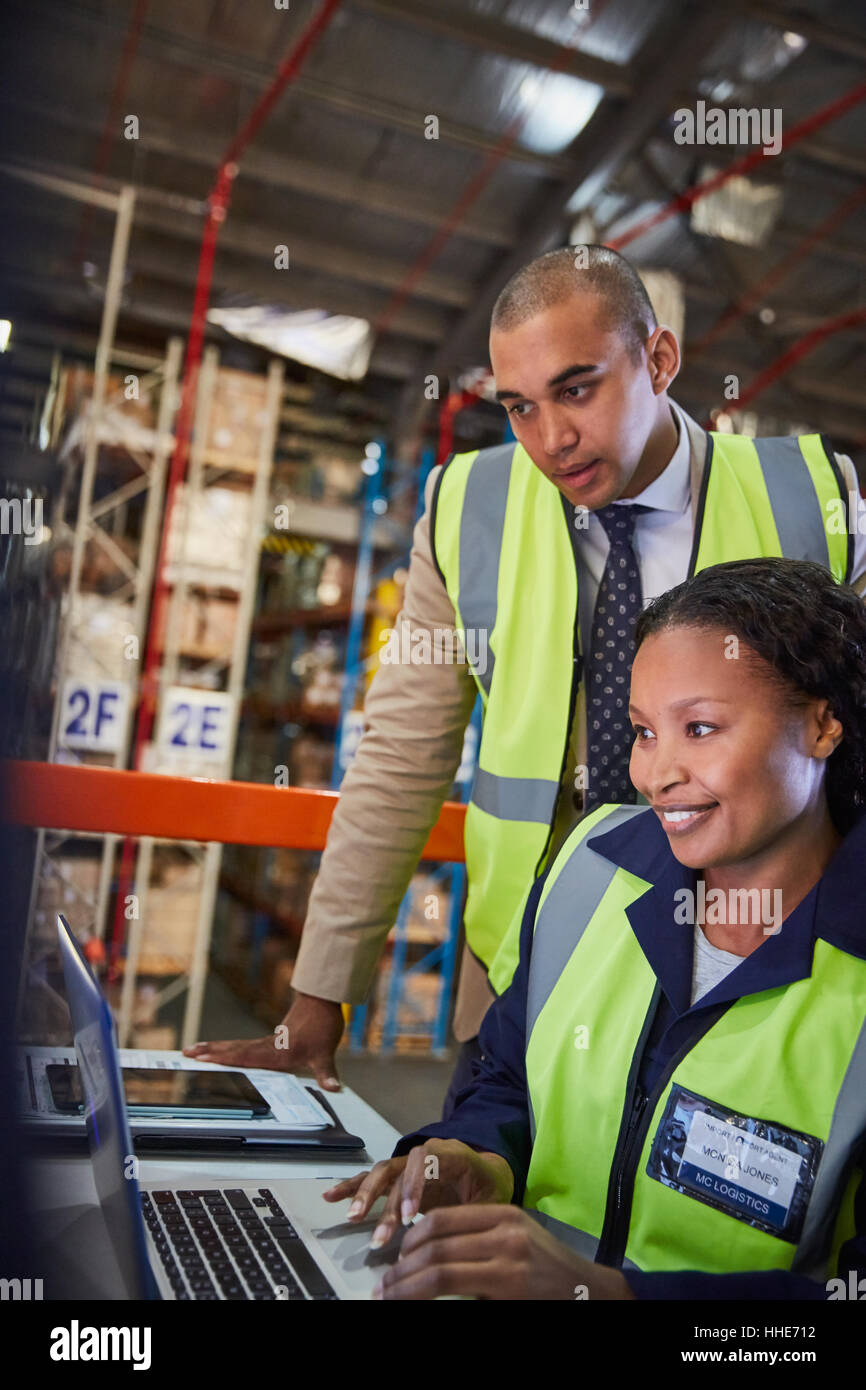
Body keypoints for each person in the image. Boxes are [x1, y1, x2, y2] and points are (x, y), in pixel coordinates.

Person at [185, 247, 866, 1117]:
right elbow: (399, 760)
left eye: (577, 389)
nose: (551, 439)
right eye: (519, 407)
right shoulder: (467, 507)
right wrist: (317, 1001)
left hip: (752, 987)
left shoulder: (813, 501)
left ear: (658, 361)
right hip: (522, 982)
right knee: (469, 1225)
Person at [323, 558, 866, 1300]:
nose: (657, 774)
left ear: (823, 724)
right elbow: (507, 1075)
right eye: (645, 732)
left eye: (700, 728)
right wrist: (474, 1157)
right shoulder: (593, 866)